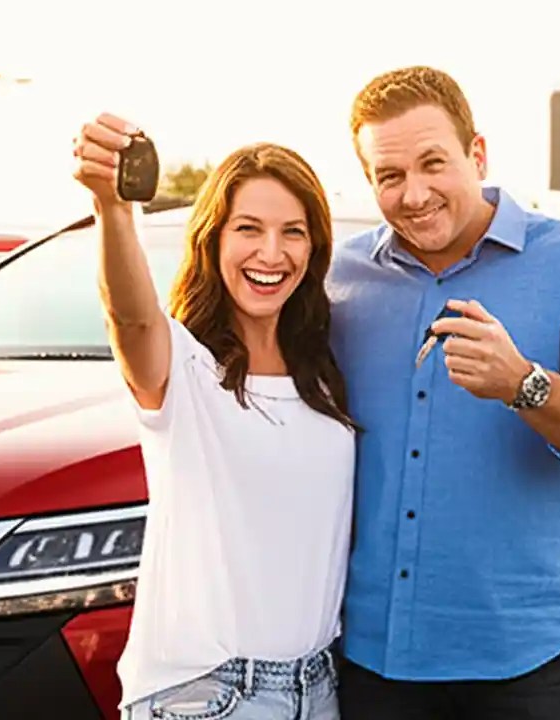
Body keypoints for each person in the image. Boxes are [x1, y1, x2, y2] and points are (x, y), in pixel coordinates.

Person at [327, 66, 560, 719]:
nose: (414, 193)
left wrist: (526, 385)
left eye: (433, 163)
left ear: (476, 153)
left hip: (530, 667)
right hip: (375, 662)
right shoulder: (337, 281)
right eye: (389, 176)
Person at [72, 113, 357, 720]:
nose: (271, 253)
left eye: (293, 232)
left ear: (316, 246)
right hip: (208, 697)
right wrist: (113, 209)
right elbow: (132, 320)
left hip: (320, 686)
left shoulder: (327, 372)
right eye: (248, 229)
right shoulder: (183, 365)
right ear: (214, 239)